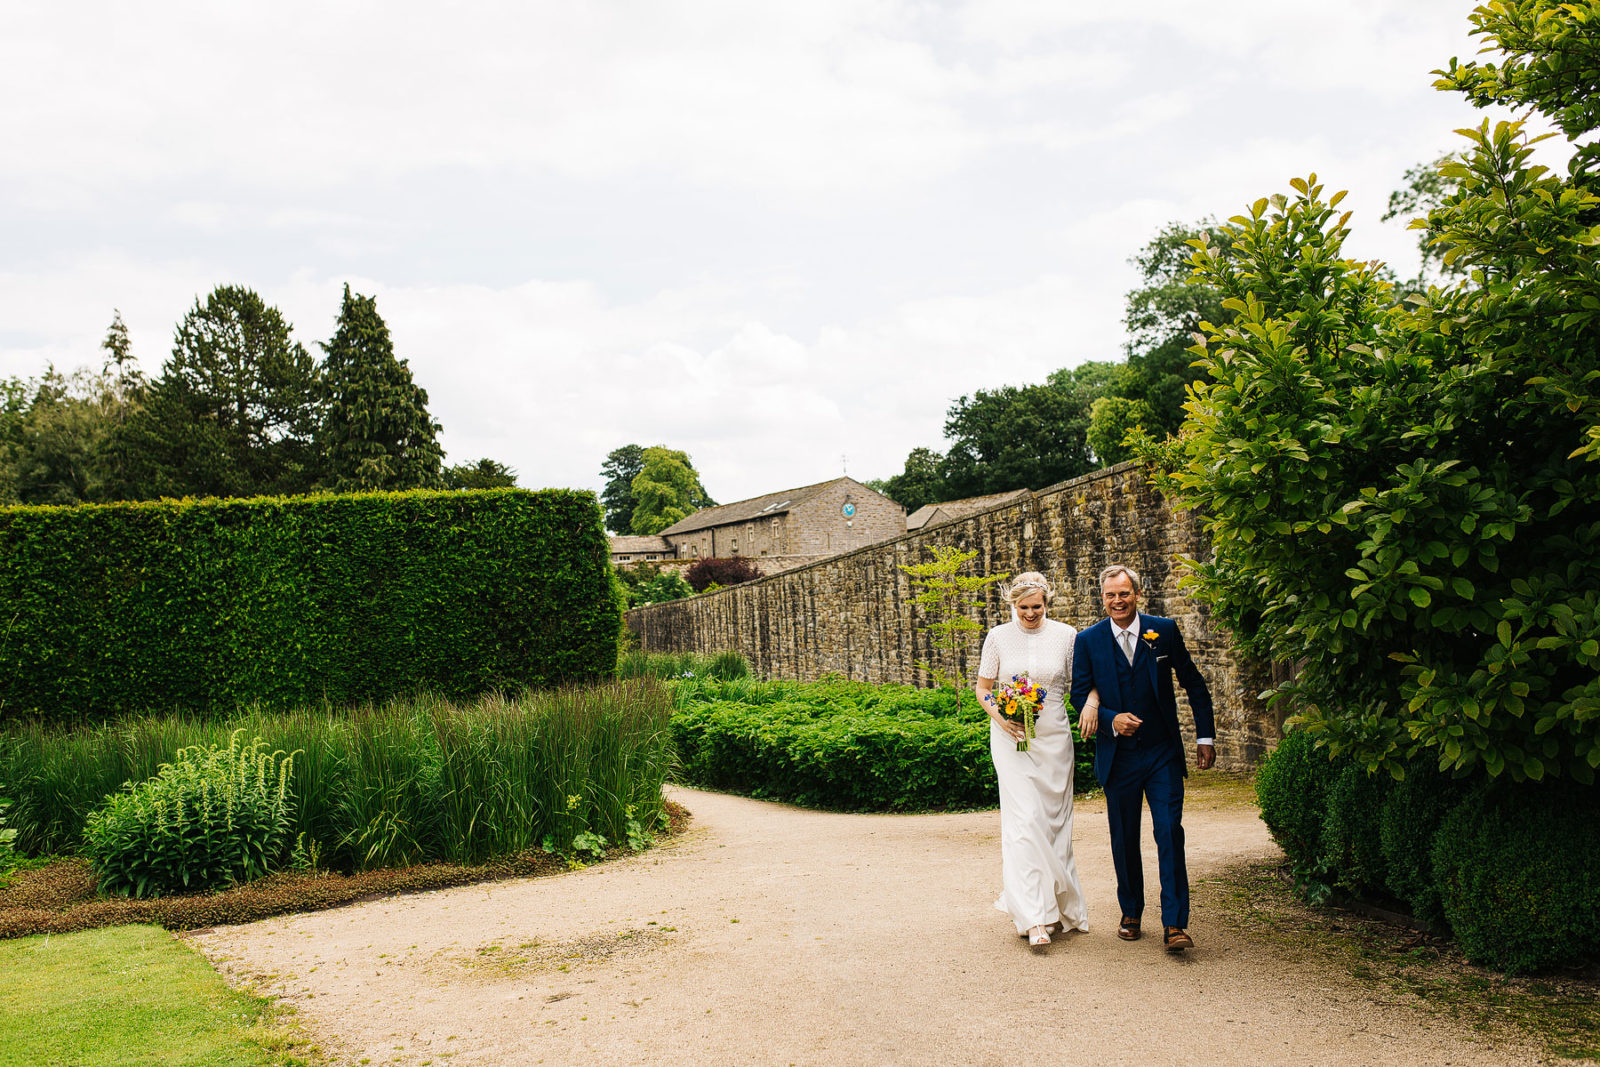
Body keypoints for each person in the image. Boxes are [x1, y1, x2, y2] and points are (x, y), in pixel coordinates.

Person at [1070, 563, 1215, 953]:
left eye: (1124, 593)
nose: (1118, 601)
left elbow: (1194, 683)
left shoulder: (1162, 631)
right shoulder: (1088, 640)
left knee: (1169, 831)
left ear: (1137, 594)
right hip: (1118, 757)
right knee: (1124, 837)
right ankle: (1131, 910)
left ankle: (1175, 924)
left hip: (1161, 751)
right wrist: (1110, 720)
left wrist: (1205, 736)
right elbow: (1078, 695)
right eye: (1110, 595)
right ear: (1102, 599)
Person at [974, 572, 1100, 949]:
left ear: (1047, 602)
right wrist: (1003, 718)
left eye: (1037, 606)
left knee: (1054, 823)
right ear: (1012, 605)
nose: (1030, 613)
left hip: (1055, 739)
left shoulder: (1066, 635)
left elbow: (1085, 681)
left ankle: (1061, 907)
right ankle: (1034, 918)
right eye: (1023, 607)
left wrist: (1092, 703)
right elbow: (983, 689)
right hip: (1011, 739)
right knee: (1024, 822)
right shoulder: (997, 637)